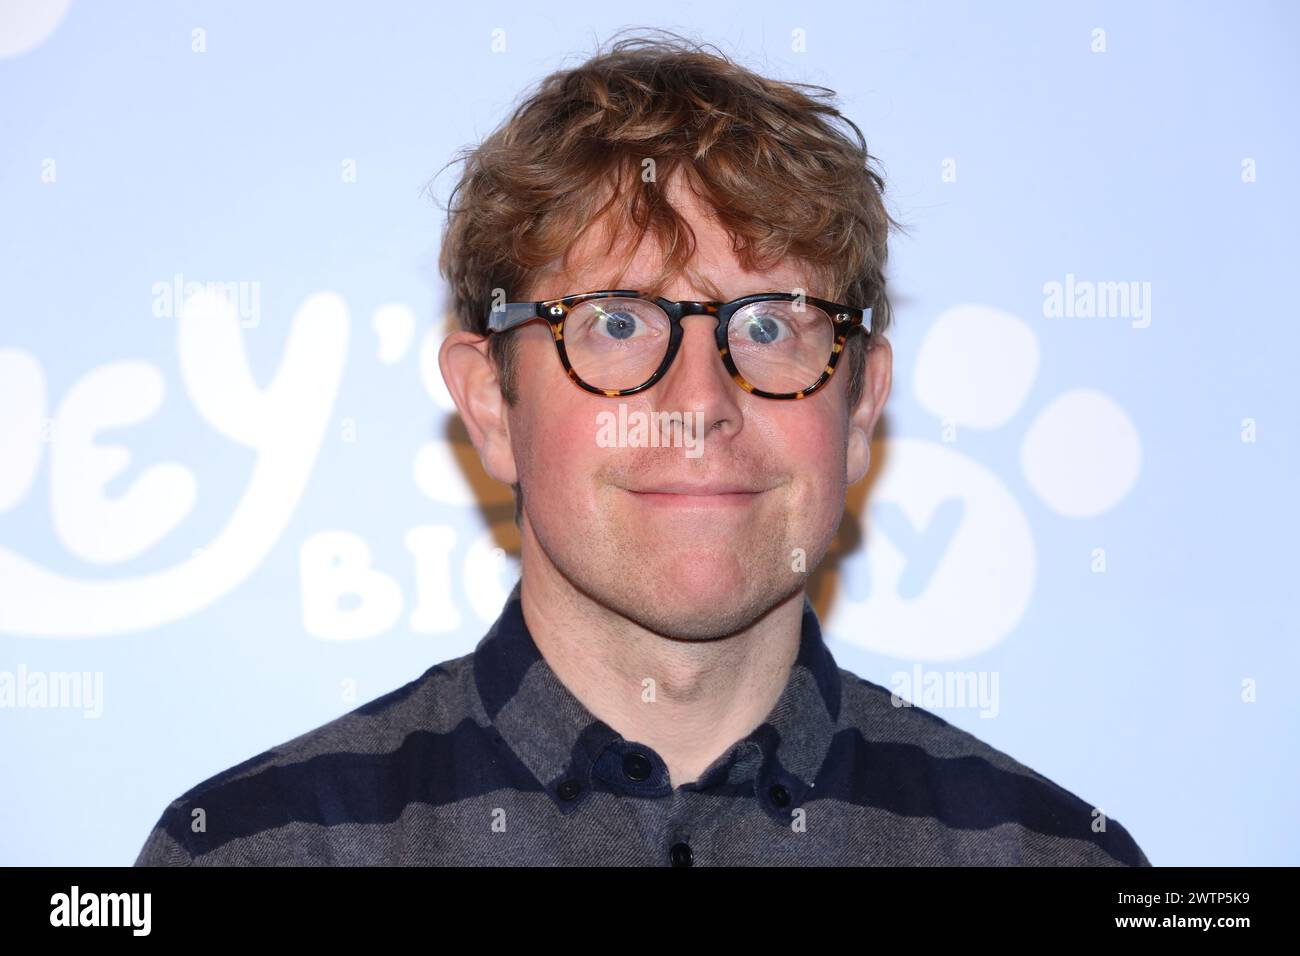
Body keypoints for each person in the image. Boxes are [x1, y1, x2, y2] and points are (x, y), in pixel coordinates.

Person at [135, 30, 1149, 867]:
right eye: (616, 324)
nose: (697, 403)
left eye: (768, 325)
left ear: (860, 403)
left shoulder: (1053, 857)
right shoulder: (256, 853)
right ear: (491, 402)